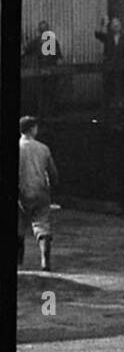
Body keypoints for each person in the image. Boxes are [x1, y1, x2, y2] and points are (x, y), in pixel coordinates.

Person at [18, 116, 59, 272]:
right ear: (32, 128)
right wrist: (54, 187)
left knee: (18, 227)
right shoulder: (43, 148)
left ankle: (18, 262)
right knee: (42, 226)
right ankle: (44, 261)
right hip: (40, 191)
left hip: (20, 191)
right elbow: (53, 173)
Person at [94, 16, 124, 107]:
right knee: (109, 85)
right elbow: (98, 35)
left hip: (120, 66)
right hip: (109, 66)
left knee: (121, 84)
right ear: (111, 27)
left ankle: (121, 102)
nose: (116, 26)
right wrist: (103, 25)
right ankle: (110, 103)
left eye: (117, 24)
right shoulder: (108, 37)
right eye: (114, 24)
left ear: (120, 26)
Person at [23, 21, 63, 116]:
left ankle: (45, 114)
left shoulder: (40, 41)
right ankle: (46, 113)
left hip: (46, 71)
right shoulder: (47, 41)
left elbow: (26, 51)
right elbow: (59, 57)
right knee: (45, 93)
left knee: (46, 93)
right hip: (45, 71)